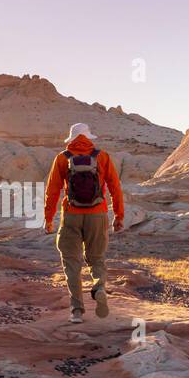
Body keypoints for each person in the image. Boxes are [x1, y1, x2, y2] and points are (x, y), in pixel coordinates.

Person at [43, 122, 124, 323]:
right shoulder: (102, 156)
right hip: (98, 214)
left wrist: (48, 219)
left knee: (71, 263)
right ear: (88, 137)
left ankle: (77, 311)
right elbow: (115, 187)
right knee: (96, 258)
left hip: (71, 214)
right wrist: (119, 216)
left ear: (71, 139)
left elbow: (52, 192)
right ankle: (99, 287)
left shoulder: (62, 158)